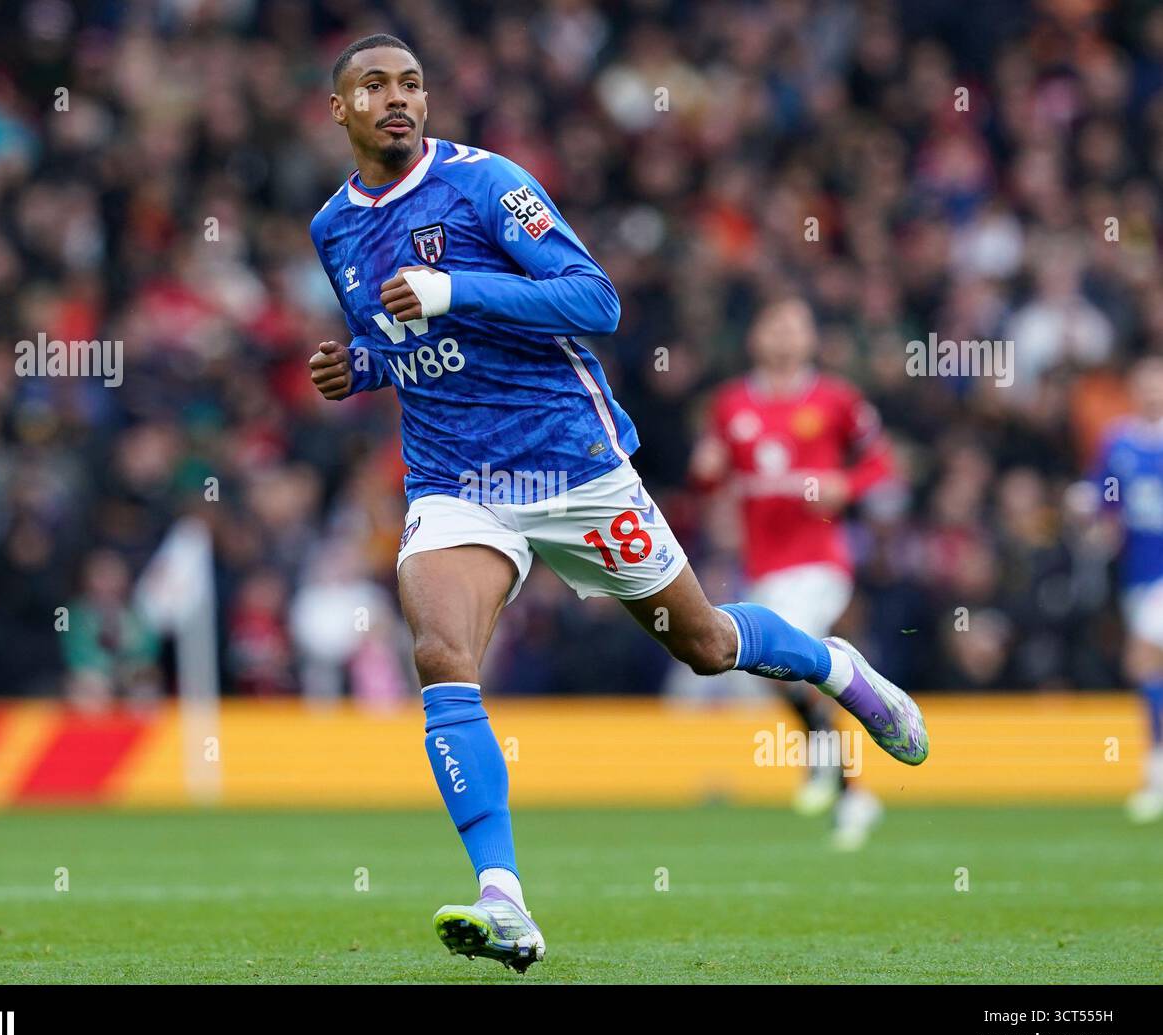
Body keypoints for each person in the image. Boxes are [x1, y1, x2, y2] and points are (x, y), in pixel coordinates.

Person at [307, 34, 928, 973]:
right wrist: (361, 365)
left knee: (708, 645)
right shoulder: (333, 231)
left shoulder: (486, 185)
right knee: (441, 653)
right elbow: (409, 346)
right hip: (453, 481)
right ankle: (503, 897)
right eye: (375, 87)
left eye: (413, 84)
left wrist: (454, 286)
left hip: (569, 462)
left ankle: (835, 669)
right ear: (338, 109)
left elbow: (595, 303)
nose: (399, 100)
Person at [690, 297, 902, 849]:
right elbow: (714, 476)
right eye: (774, 325)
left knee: (790, 655)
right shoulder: (732, 404)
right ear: (756, 337)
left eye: (795, 327)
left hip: (820, 558)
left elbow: (881, 462)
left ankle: (824, 763)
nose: (784, 336)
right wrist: (708, 475)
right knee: (775, 671)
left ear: (811, 339)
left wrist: (846, 487)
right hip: (763, 563)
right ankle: (853, 792)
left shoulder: (836, 400)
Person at [1080, 357, 1163, 823]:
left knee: (1141, 658)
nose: (1153, 394)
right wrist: (1095, 515)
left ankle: (1155, 773)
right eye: (1146, 386)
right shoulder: (1120, 441)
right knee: (1152, 671)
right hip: (1138, 574)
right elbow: (1106, 495)